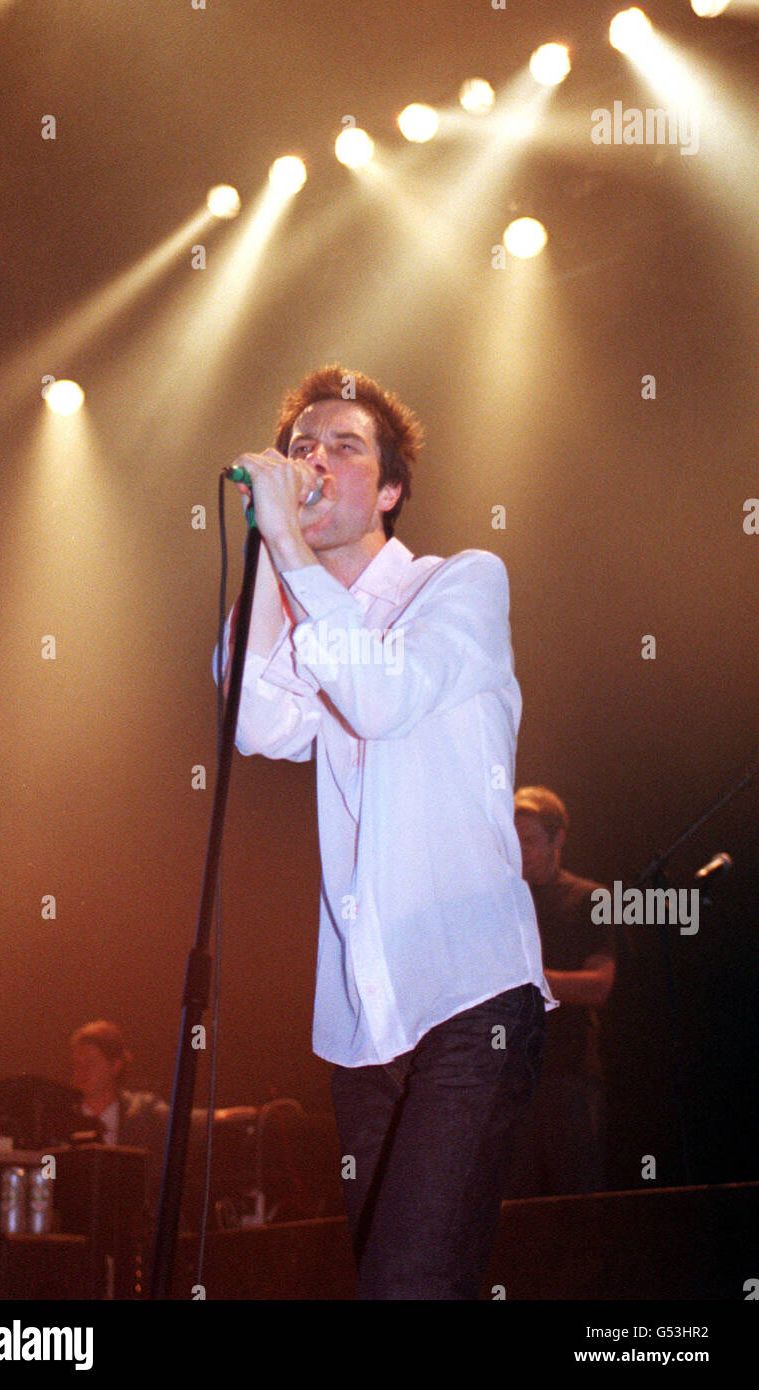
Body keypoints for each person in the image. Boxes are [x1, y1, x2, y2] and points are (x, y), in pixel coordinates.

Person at [215, 364, 556, 1299]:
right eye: (298, 449)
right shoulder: (312, 615)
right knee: (402, 1282)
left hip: (469, 998)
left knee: (407, 1287)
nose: (313, 461)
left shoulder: (461, 586)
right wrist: (278, 561)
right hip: (364, 1030)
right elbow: (254, 724)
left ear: (392, 489)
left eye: (343, 446)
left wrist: (291, 548)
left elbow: (381, 695)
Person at [505, 787, 616, 1197]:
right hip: (508, 1080)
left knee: (578, 1203)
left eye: (529, 840)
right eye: (512, 839)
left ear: (558, 840)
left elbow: (600, 985)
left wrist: (531, 982)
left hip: (567, 1075)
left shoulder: (589, 898)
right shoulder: (499, 902)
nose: (519, 850)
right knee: (515, 1212)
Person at [69, 1019, 169, 1214]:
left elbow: (191, 1121)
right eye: (76, 1064)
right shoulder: (62, 1118)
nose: (81, 1071)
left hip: (134, 1229)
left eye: (89, 1064)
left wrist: (224, 1116)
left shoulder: (145, 1111)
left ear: (115, 1066)